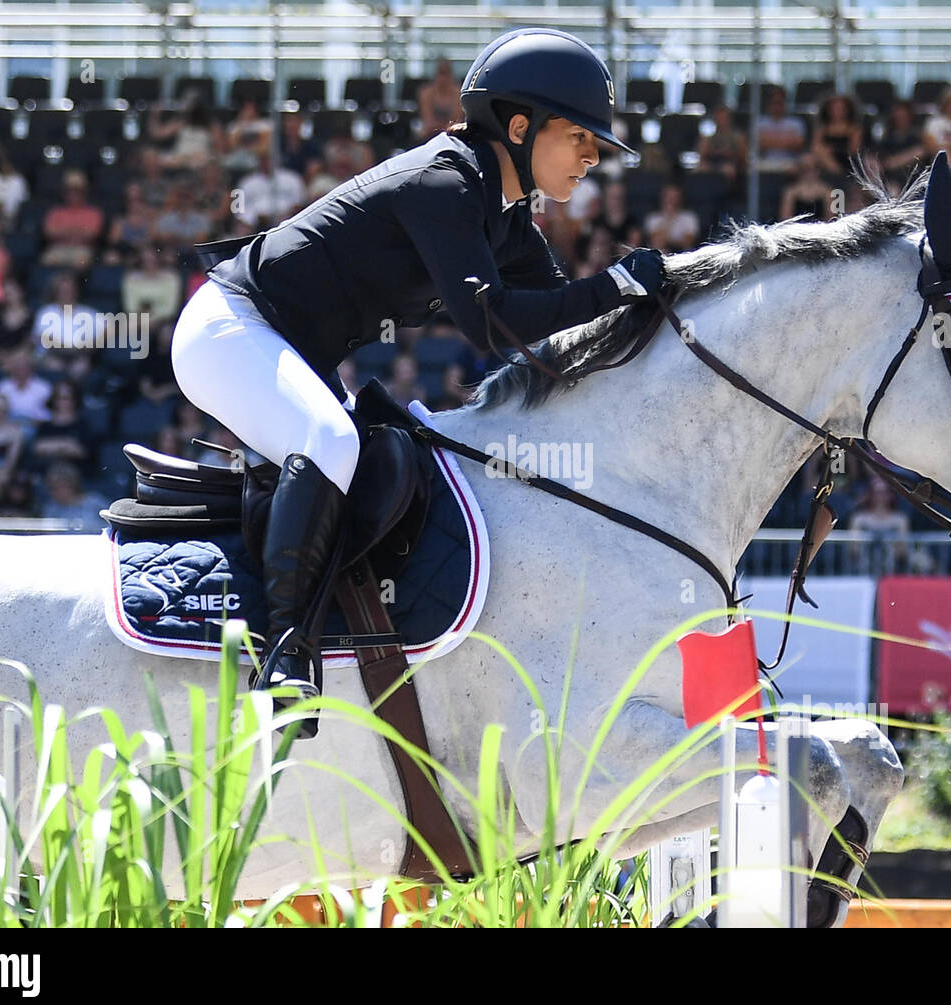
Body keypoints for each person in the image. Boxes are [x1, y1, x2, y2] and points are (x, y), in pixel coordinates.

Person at [171, 27, 667, 720]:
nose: (593, 157)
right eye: (579, 137)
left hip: (283, 343)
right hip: (229, 327)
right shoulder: (445, 179)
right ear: (519, 125)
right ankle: (283, 654)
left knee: (394, 457)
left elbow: (560, 334)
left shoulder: (504, 215)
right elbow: (491, 324)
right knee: (330, 442)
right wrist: (616, 284)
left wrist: (658, 313)